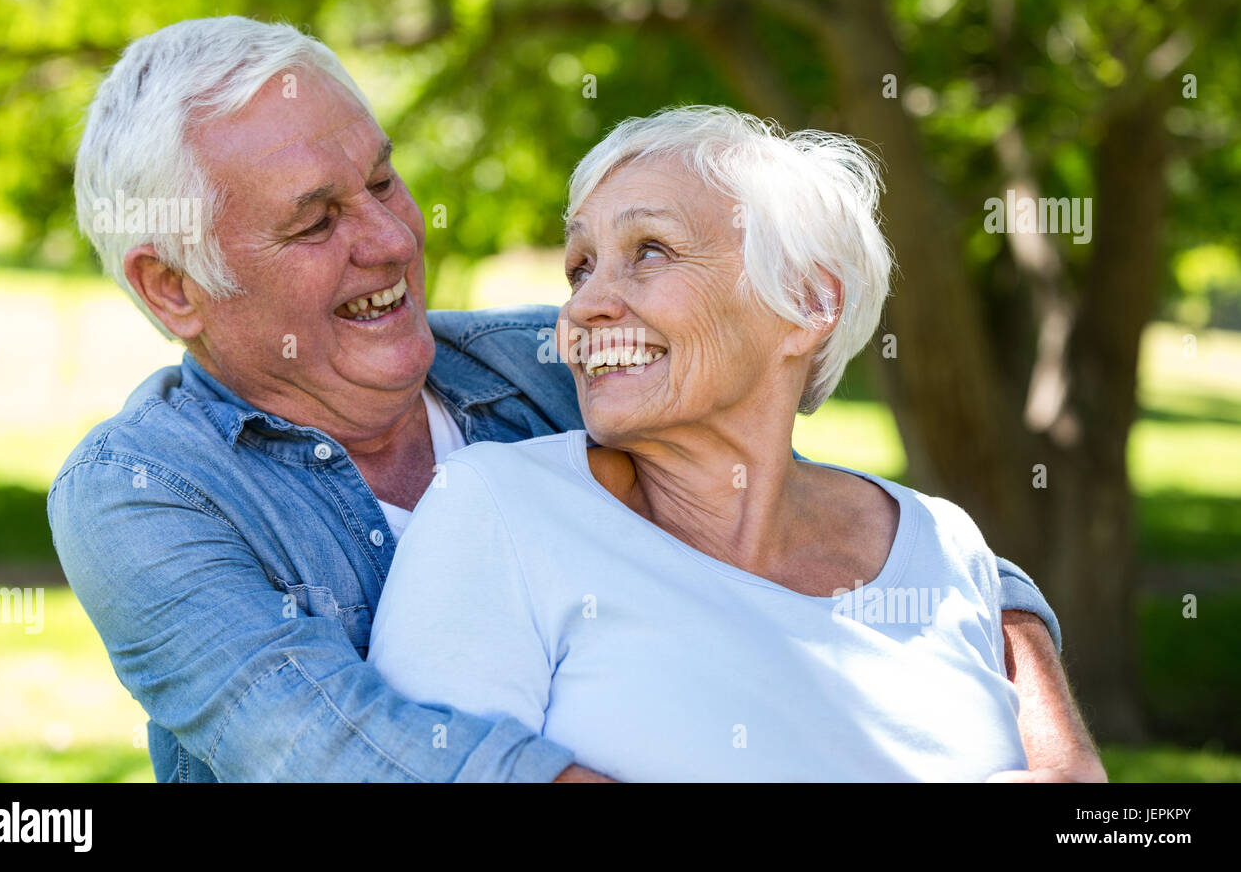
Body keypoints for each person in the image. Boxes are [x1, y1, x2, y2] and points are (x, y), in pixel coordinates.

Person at [49, 16, 1098, 782]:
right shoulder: (142, 493)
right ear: (171, 286)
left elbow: (868, 529)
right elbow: (337, 755)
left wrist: (1052, 746)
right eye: (314, 221)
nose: (391, 238)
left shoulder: (556, 363)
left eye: (381, 181)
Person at [368, 106, 1101, 781]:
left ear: (809, 303)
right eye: (580, 267)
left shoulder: (946, 547)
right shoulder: (496, 507)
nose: (586, 304)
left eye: (650, 250)